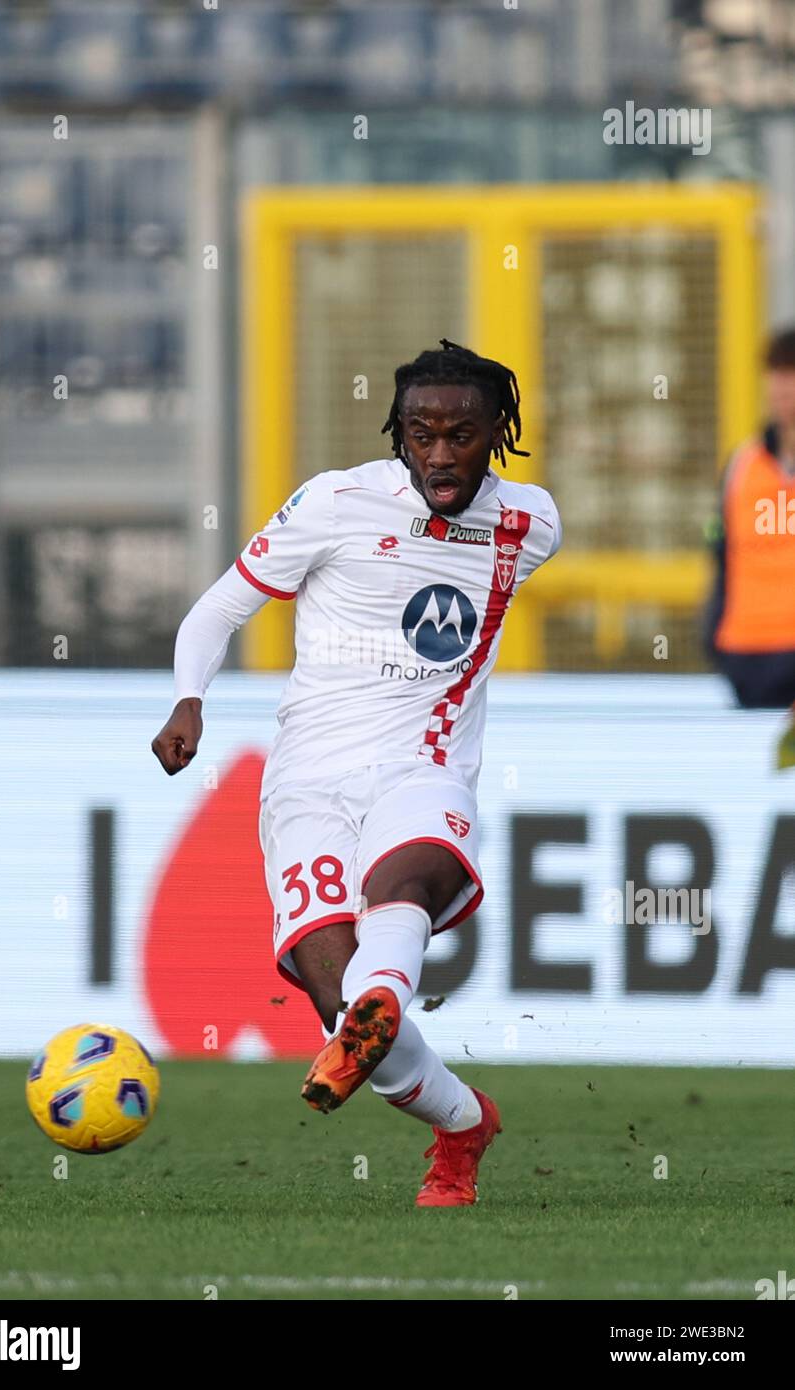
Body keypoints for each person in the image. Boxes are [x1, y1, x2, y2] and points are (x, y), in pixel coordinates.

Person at [152, 339, 562, 1206]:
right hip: (306, 782)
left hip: (425, 763)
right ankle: (461, 1122)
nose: (441, 455)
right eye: (421, 433)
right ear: (398, 432)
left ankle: (380, 997)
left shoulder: (530, 524)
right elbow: (221, 609)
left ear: (500, 433)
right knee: (342, 1011)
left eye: (462, 434)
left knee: (405, 877)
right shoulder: (333, 503)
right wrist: (190, 698)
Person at [705, 328, 795, 767]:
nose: (783, 389)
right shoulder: (743, 465)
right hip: (749, 657)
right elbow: (719, 551)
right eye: (777, 375)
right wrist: (716, 639)